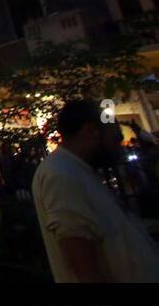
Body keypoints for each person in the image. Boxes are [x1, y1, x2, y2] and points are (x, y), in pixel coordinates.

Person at [32, 99, 159, 282]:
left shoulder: (76, 170)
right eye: (115, 139)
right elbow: (81, 262)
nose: (118, 148)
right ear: (90, 131)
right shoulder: (61, 174)